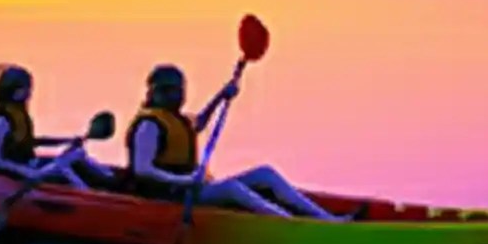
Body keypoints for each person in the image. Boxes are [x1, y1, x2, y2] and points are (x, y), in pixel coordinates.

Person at [125, 64, 356, 220]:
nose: (174, 96)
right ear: (154, 93)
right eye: (167, 91)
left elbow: (199, 123)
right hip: (167, 196)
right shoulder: (149, 126)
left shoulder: (176, 120)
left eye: (177, 90)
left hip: (188, 189)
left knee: (265, 174)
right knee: (230, 188)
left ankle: (329, 220)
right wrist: (185, 180)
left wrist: (223, 95)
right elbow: (142, 170)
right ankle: (289, 223)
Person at [0, 63, 115, 189]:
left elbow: (31, 142)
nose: (29, 92)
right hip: (22, 171)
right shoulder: (2, 119)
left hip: (30, 164)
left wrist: (66, 141)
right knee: (63, 167)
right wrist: (27, 172)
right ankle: (87, 196)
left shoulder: (19, 114)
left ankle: (111, 182)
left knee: (77, 155)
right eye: (24, 88)